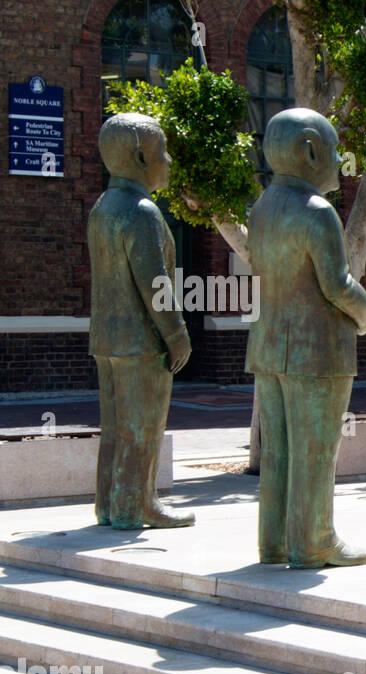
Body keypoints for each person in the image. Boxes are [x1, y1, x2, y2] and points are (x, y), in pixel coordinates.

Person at [246, 108, 366, 568]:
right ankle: (315, 540)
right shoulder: (317, 213)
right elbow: (337, 285)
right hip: (318, 350)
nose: (340, 158)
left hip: (268, 346)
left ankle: (276, 540)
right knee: (317, 451)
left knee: (278, 451)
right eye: (334, 147)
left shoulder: (262, 208)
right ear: (309, 149)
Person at [88, 112, 195, 530]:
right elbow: (156, 284)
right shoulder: (142, 212)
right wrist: (177, 334)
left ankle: (110, 504)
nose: (167, 160)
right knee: (144, 427)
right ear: (139, 156)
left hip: (107, 340)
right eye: (161, 152)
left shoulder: (102, 207)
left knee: (115, 427)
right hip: (141, 341)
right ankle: (137, 506)